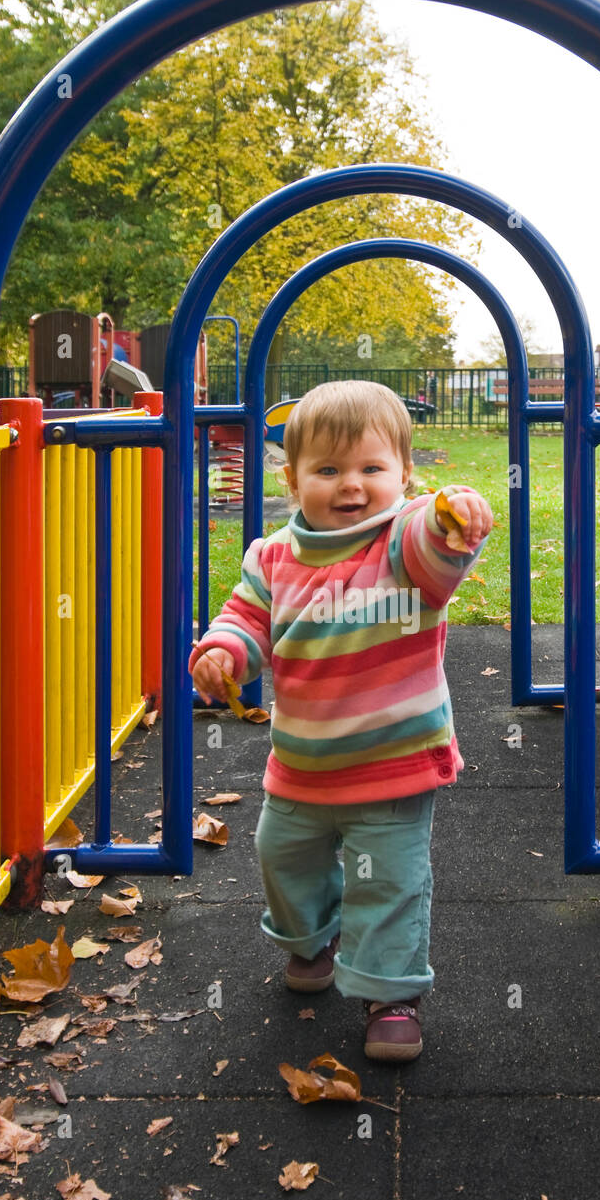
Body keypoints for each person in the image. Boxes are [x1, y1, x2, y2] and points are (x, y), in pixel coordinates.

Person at [188, 380, 493, 1061]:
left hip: (393, 766)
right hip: (301, 765)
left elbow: (435, 544)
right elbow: (246, 619)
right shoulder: (273, 557)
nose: (351, 485)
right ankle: (314, 940)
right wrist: (223, 652)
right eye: (328, 470)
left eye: (371, 469)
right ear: (293, 480)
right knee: (282, 858)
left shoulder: (400, 546)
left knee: (388, 879)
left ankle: (391, 994)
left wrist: (453, 517)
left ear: (404, 477)